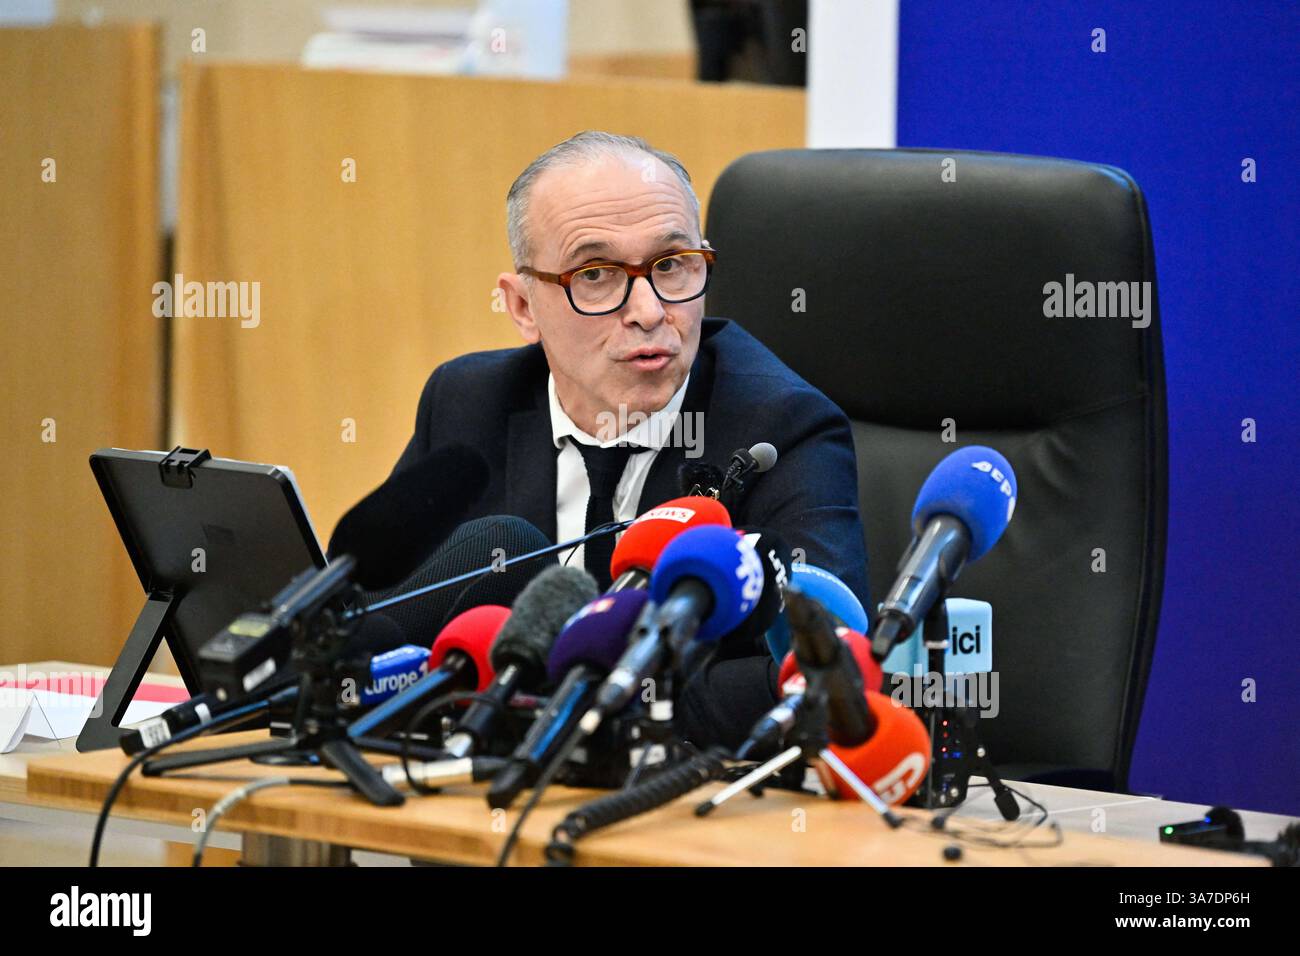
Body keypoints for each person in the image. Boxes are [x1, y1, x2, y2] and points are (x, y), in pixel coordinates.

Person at [391, 131, 868, 746]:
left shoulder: (781, 431)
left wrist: (577, 713)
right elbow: (385, 618)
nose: (647, 310)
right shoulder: (467, 404)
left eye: (671, 266)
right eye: (596, 273)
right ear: (522, 307)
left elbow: (818, 669)